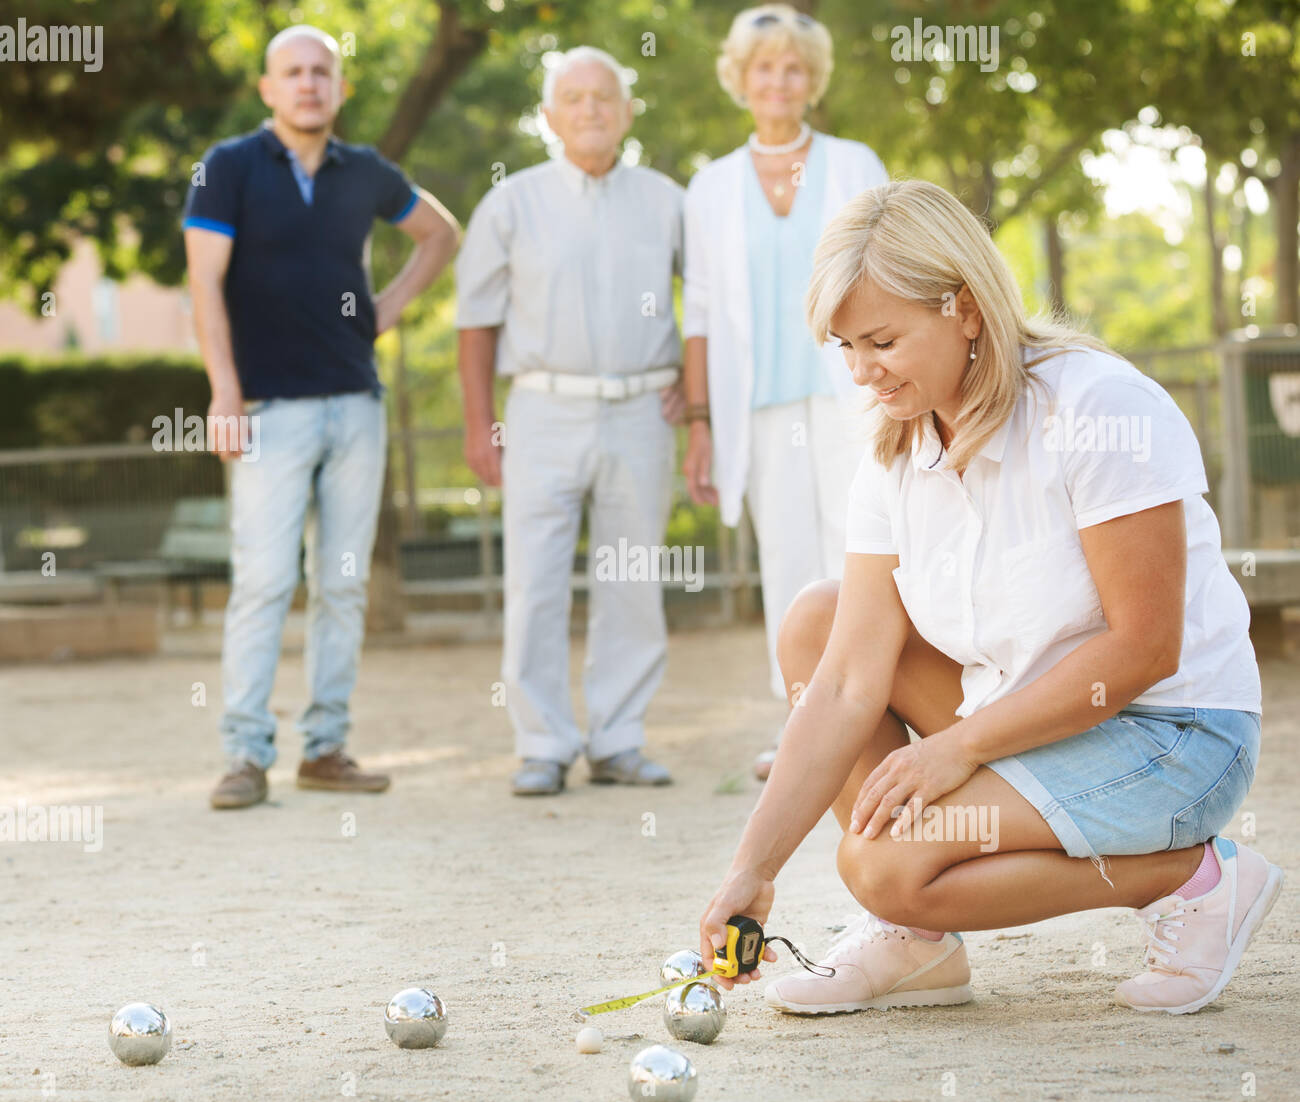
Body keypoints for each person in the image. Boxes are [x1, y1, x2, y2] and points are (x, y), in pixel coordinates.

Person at [698, 179, 1280, 1018]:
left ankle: (1195, 874)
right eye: (845, 346)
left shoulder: (1096, 409)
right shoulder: (894, 454)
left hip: (1174, 731)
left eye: (883, 340)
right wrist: (749, 871)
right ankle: (920, 947)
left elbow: (1145, 648)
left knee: (885, 866)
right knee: (816, 623)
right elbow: (843, 683)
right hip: (1027, 715)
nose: (861, 372)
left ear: (966, 309)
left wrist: (957, 748)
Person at [184, 25, 460, 809]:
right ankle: (244, 753)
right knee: (264, 583)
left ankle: (326, 746)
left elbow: (441, 233)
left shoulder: (364, 171)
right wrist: (224, 391)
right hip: (267, 405)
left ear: (338, 88)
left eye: (321, 72)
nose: (308, 84)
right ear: (269, 89)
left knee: (341, 586)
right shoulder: (228, 167)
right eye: (292, 72)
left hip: (354, 400)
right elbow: (204, 288)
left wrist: (386, 310)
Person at [455, 47, 687, 797]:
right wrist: (479, 423)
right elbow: (474, 321)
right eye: (574, 98)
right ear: (549, 116)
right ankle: (543, 743)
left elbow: (713, 306)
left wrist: (699, 388)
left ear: (625, 112)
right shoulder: (511, 203)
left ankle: (619, 738)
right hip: (541, 411)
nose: (590, 108)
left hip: (642, 409)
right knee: (536, 582)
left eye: (604, 97)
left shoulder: (665, 200)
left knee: (632, 579)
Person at [681, 4, 887, 781]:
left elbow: (892, 269)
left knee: (862, 550)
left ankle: (876, 718)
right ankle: (803, 728)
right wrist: (700, 422)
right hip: (757, 405)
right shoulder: (710, 186)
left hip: (856, 394)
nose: (778, 80)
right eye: (764, 67)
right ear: (740, 78)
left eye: (793, 67)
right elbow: (699, 311)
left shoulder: (853, 163)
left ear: (812, 80)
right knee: (790, 563)